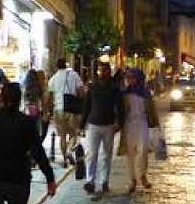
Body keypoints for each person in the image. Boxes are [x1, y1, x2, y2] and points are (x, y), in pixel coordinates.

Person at [79, 62, 125, 194]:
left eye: (105, 70)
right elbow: (86, 107)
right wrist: (81, 125)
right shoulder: (93, 87)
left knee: (106, 155)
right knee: (91, 154)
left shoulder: (114, 88)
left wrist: (119, 123)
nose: (102, 72)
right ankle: (90, 181)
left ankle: (104, 181)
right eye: (100, 70)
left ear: (109, 72)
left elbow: (120, 107)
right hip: (93, 124)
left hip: (109, 125)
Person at [119, 68, 159, 193]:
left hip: (142, 123)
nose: (129, 80)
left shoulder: (146, 93)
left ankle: (142, 175)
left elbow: (152, 110)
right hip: (129, 124)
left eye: (132, 77)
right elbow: (120, 110)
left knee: (143, 150)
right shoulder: (124, 93)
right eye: (128, 77)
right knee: (130, 153)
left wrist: (155, 124)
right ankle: (133, 180)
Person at [48, 59, 84, 165]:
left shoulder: (53, 78)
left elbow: (50, 97)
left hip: (58, 109)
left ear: (57, 66)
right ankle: (69, 151)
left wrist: (48, 112)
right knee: (74, 133)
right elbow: (81, 92)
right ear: (66, 65)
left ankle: (64, 160)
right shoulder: (74, 75)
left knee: (62, 136)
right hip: (71, 108)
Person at [21, 69, 44, 136]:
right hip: (35, 107)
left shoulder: (24, 86)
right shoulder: (38, 86)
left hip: (26, 108)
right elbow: (40, 96)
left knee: (26, 126)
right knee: (35, 127)